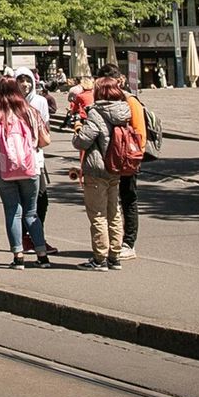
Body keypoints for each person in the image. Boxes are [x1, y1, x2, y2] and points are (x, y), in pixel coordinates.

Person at [0, 76, 50, 268]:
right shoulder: (31, 112)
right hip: (30, 168)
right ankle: (42, 255)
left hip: (3, 169)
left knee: (13, 211)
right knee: (31, 212)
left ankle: (18, 256)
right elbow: (45, 141)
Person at [72, 76, 128, 270]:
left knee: (98, 214)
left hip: (97, 168)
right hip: (116, 166)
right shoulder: (123, 111)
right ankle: (115, 256)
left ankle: (100, 258)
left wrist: (78, 129)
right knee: (114, 213)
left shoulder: (96, 113)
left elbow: (82, 141)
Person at [97, 61, 146, 260]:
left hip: (127, 159)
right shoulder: (105, 100)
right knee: (113, 201)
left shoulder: (130, 101)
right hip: (111, 159)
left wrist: (134, 157)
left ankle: (129, 242)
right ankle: (115, 241)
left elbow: (140, 133)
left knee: (128, 199)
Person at [14, 68, 57, 255]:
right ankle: (25, 238)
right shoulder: (9, 103)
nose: (25, 85)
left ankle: (36, 236)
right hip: (16, 160)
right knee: (21, 201)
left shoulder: (40, 101)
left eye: (28, 81)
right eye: (21, 81)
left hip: (36, 158)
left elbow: (46, 130)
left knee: (41, 198)